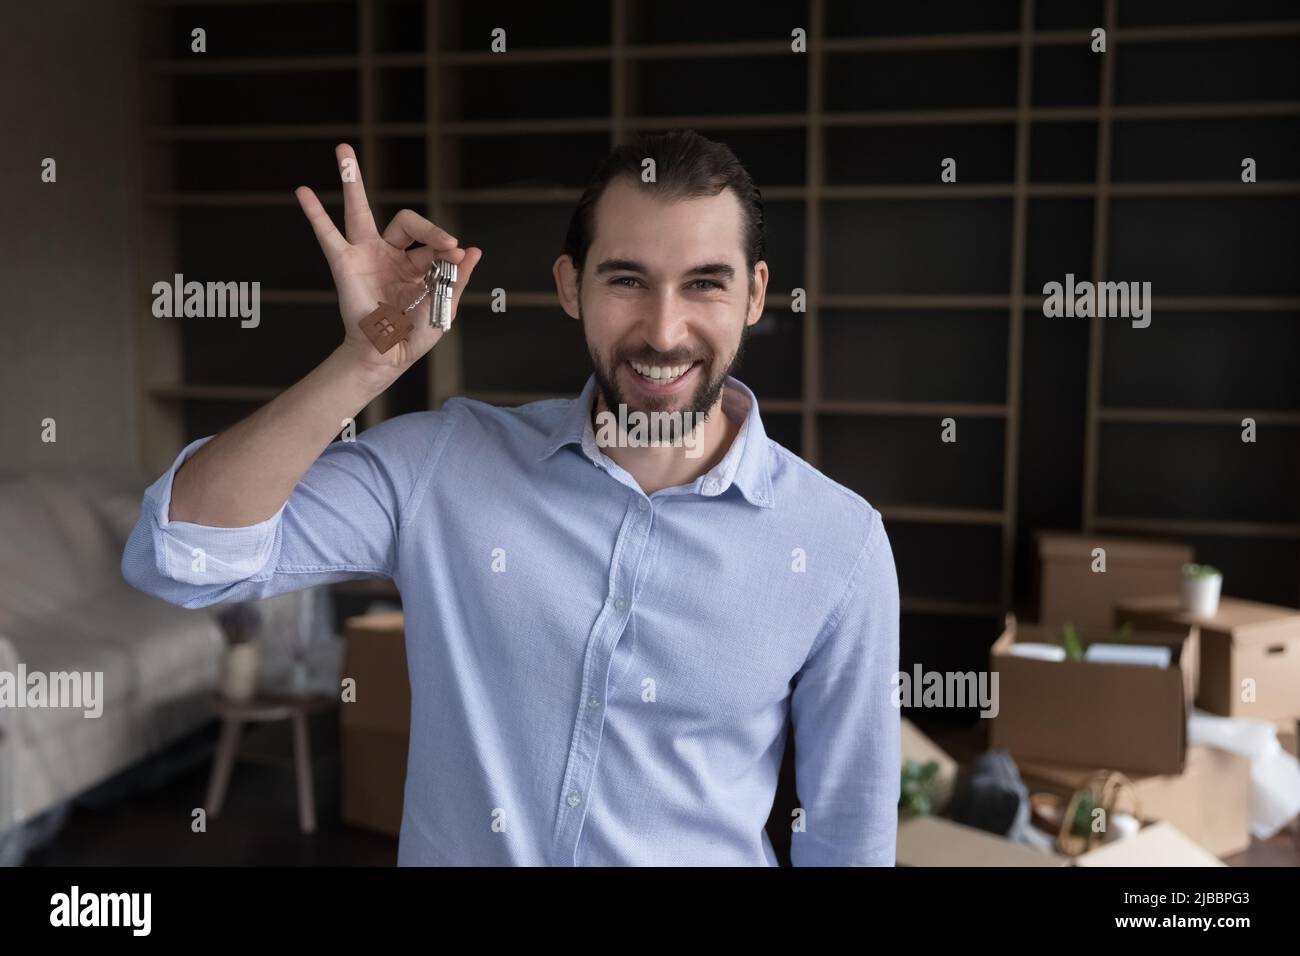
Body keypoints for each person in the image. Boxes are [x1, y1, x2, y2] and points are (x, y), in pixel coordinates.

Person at [122, 130, 900, 866]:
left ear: (756, 295)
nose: (664, 331)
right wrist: (364, 362)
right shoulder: (445, 462)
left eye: (704, 284)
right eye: (626, 280)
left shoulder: (838, 542)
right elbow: (183, 555)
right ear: (571, 286)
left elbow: (849, 832)